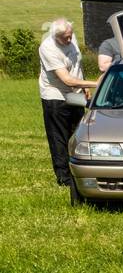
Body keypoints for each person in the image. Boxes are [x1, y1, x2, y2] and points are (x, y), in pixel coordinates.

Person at [38, 19, 98, 188]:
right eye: (65, 38)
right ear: (56, 37)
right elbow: (67, 79)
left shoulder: (72, 39)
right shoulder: (47, 48)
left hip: (76, 93)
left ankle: (79, 171)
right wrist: (96, 84)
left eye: (70, 36)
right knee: (59, 137)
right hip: (55, 95)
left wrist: (85, 85)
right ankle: (63, 177)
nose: (70, 40)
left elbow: (78, 64)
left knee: (77, 133)